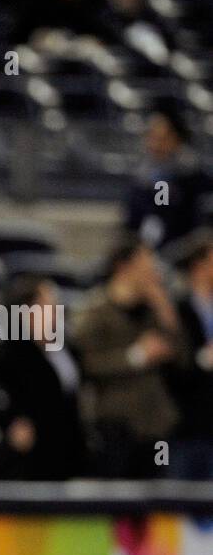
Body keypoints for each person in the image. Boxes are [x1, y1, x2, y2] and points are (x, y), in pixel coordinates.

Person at [71, 238, 186, 478]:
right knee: (115, 505)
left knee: (157, 506)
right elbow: (85, 364)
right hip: (114, 425)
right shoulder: (94, 310)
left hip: (155, 425)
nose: (152, 271)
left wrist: (165, 310)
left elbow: (183, 358)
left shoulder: (153, 310)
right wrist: (136, 356)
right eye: (145, 264)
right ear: (124, 267)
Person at [0, 275, 85, 480]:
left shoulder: (65, 345)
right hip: (36, 456)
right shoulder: (13, 350)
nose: (55, 309)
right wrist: (10, 422)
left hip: (70, 446)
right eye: (47, 303)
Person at [124, 103, 211, 253]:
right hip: (146, 254)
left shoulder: (192, 175)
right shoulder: (143, 175)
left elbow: (163, 213)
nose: (154, 145)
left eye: (161, 138)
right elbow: (135, 221)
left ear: (176, 138)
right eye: (151, 137)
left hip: (183, 252)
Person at [169, 233, 213, 479]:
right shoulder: (177, 309)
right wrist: (203, 359)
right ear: (199, 266)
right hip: (187, 422)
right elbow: (173, 362)